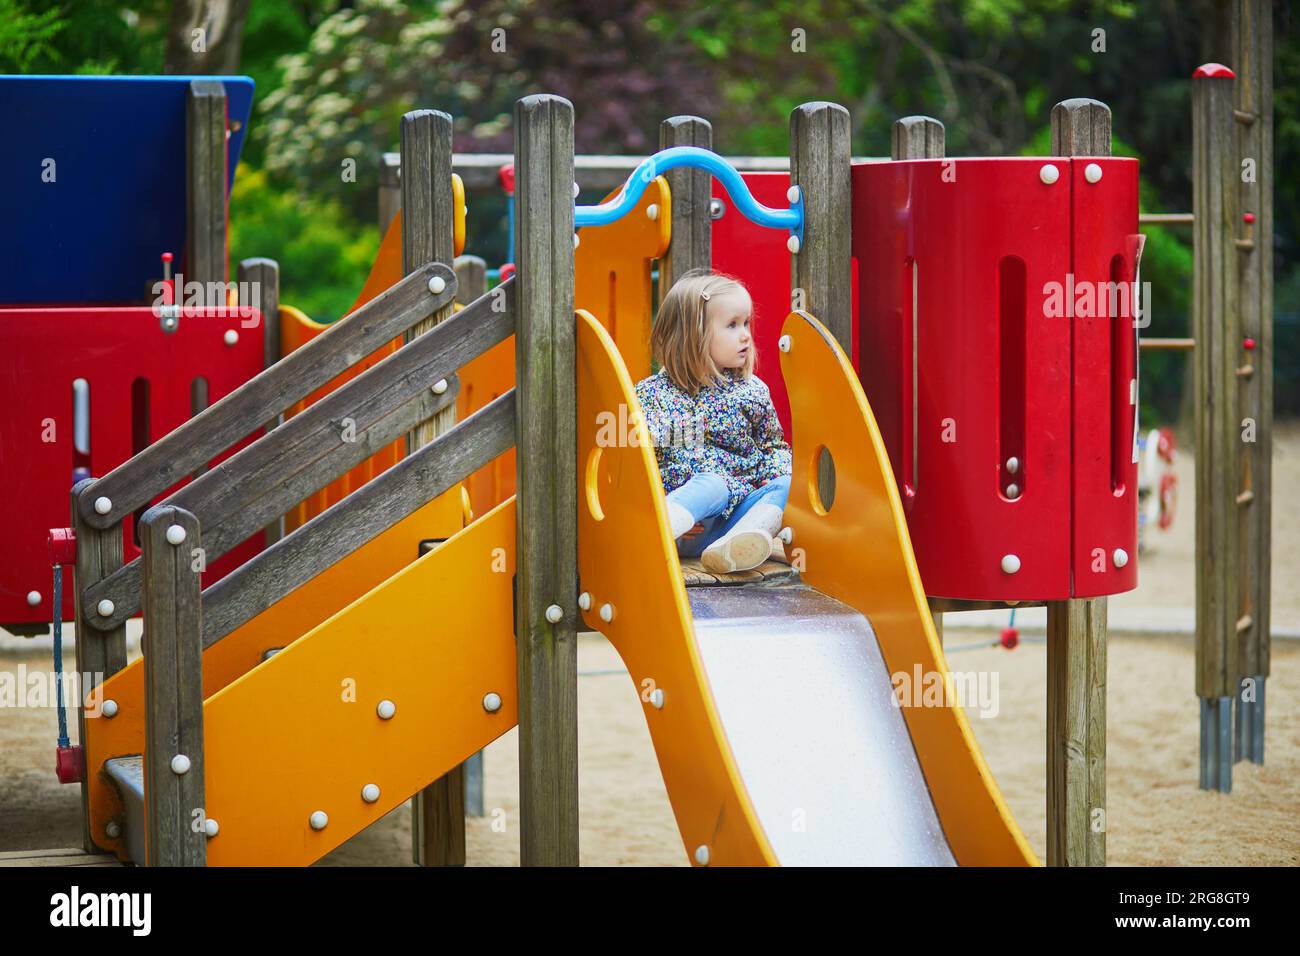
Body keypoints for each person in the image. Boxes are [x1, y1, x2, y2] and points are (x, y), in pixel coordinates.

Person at [633, 270, 792, 573]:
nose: (746, 334)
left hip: (725, 523)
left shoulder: (752, 392)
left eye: (746, 323)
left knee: (785, 483)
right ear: (693, 336)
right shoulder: (653, 395)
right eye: (732, 325)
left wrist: (778, 477)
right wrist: (658, 501)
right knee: (714, 483)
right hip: (683, 525)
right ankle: (661, 524)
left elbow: (773, 446)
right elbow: (638, 464)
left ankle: (735, 545)